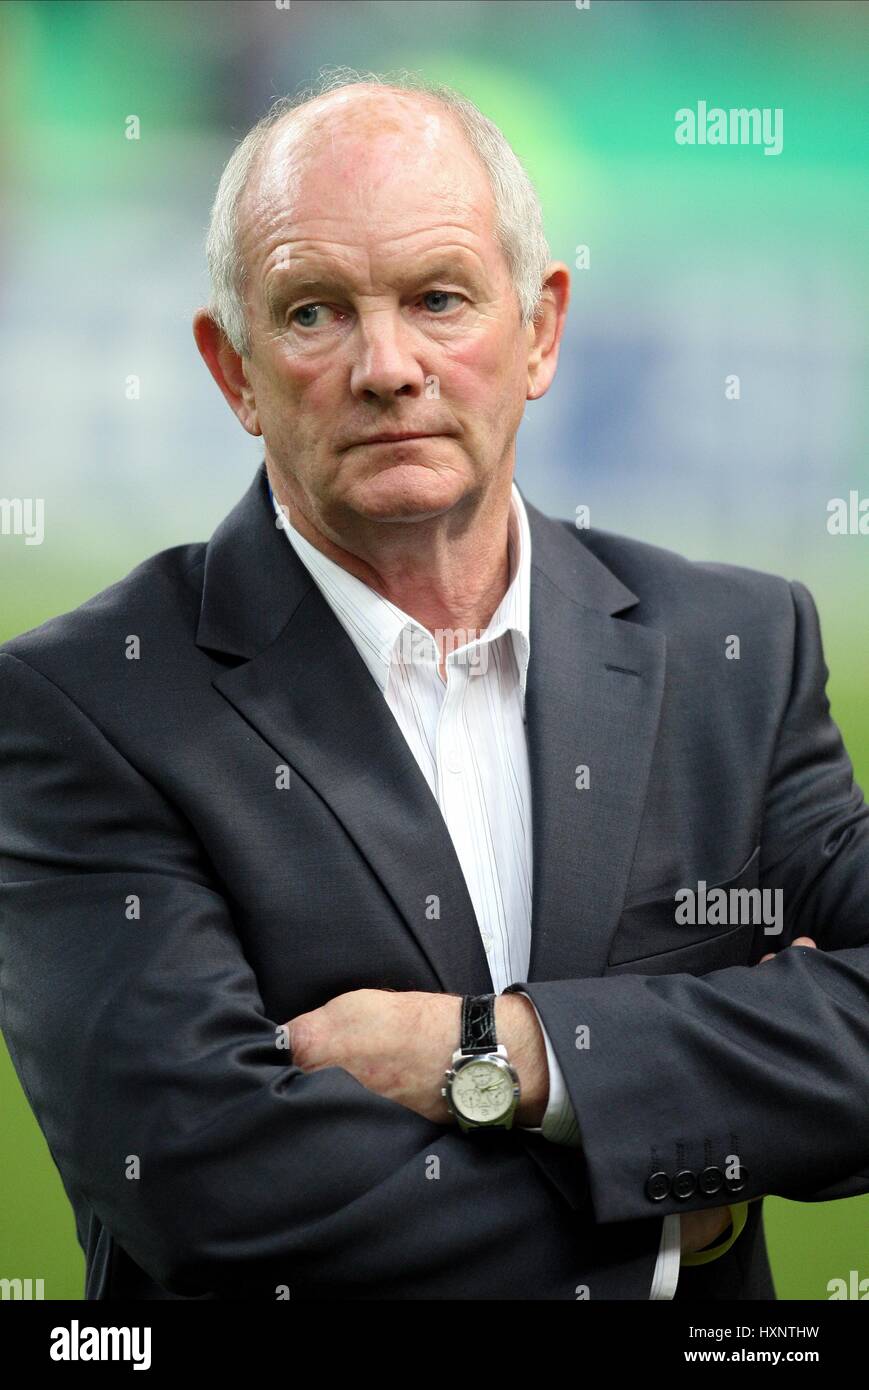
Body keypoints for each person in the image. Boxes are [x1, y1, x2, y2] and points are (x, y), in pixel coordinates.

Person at [1, 72, 867, 1301]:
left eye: (438, 298)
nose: (388, 365)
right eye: (313, 313)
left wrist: (508, 1053)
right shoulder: (86, 704)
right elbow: (207, 1190)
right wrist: (672, 1225)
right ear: (231, 368)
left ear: (542, 331)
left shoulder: (733, 649)